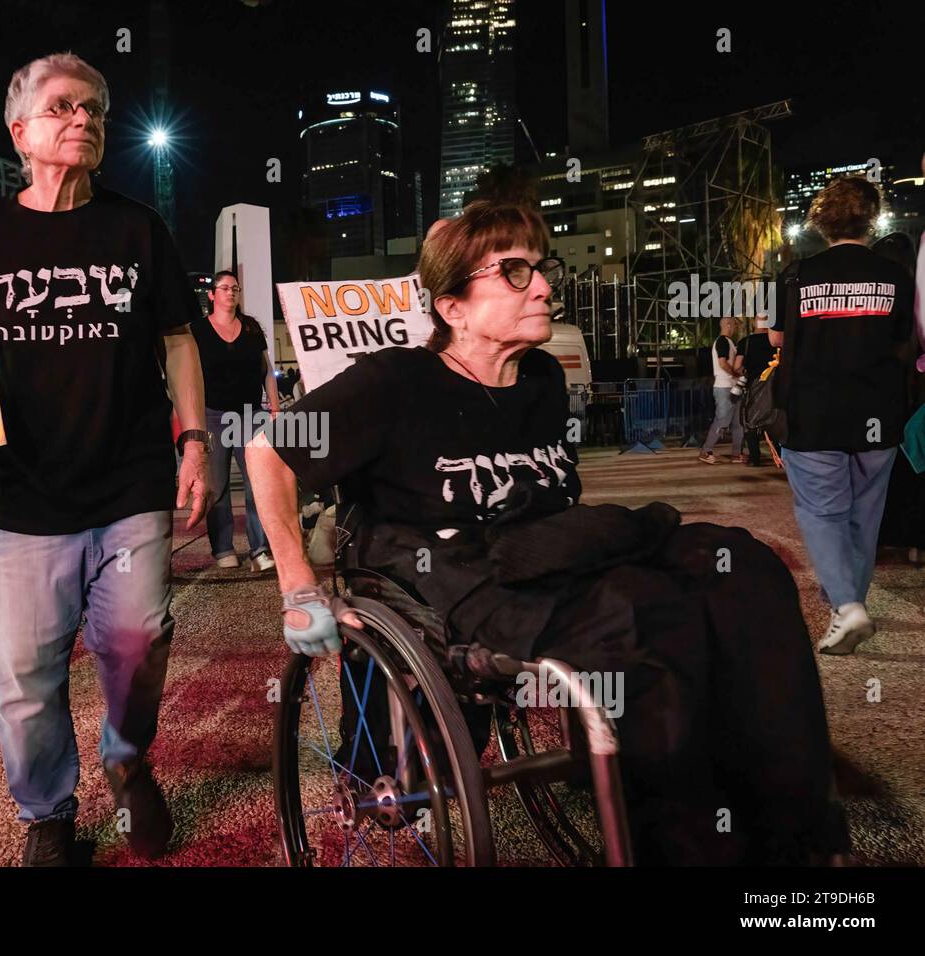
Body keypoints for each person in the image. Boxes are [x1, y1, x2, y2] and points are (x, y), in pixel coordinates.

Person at [247, 201, 848, 865]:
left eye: (539, 267)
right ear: (453, 308)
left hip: (551, 550)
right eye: (513, 272)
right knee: (650, 618)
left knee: (746, 567)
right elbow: (267, 453)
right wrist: (296, 583)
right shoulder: (395, 381)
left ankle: (797, 833)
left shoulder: (538, 381)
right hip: (449, 571)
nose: (542, 284)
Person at [0, 52, 210, 866]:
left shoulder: (139, 227)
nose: (86, 121)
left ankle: (127, 756)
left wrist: (196, 441)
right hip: (17, 494)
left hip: (129, 481)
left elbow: (179, 341)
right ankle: (48, 814)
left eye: (98, 111)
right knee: (26, 680)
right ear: (20, 131)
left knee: (138, 640)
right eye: (66, 107)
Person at [770, 177, 915, 655]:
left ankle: (848, 606)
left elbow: (776, 340)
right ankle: (848, 603)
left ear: (821, 221)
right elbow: (903, 340)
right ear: (871, 219)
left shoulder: (796, 274)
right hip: (878, 410)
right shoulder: (895, 275)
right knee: (864, 516)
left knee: (821, 512)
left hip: (815, 411)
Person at [192, 270, 279, 571]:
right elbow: (189, 376)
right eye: (225, 288)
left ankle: (260, 549)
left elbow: (266, 370)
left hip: (251, 415)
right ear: (212, 295)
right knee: (217, 486)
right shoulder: (198, 331)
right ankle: (223, 548)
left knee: (259, 484)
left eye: (235, 288)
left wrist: (275, 406)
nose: (231, 293)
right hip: (212, 414)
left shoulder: (252, 328)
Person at [698, 316, 746, 464]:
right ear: (728, 325)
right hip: (725, 387)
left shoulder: (728, 342)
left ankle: (736, 454)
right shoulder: (723, 341)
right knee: (722, 420)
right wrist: (736, 374)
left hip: (731, 387)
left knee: (737, 422)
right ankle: (706, 451)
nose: (736, 328)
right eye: (735, 325)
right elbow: (722, 363)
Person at [739, 315, 776, 466]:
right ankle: (781, 456)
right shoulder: (776, 341)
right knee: (776, 421)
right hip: (776, 386)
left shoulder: (746, 342)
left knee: (751, 424)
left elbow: (737, 366)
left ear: (755, 323)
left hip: (755, 387)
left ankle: (755, 459)